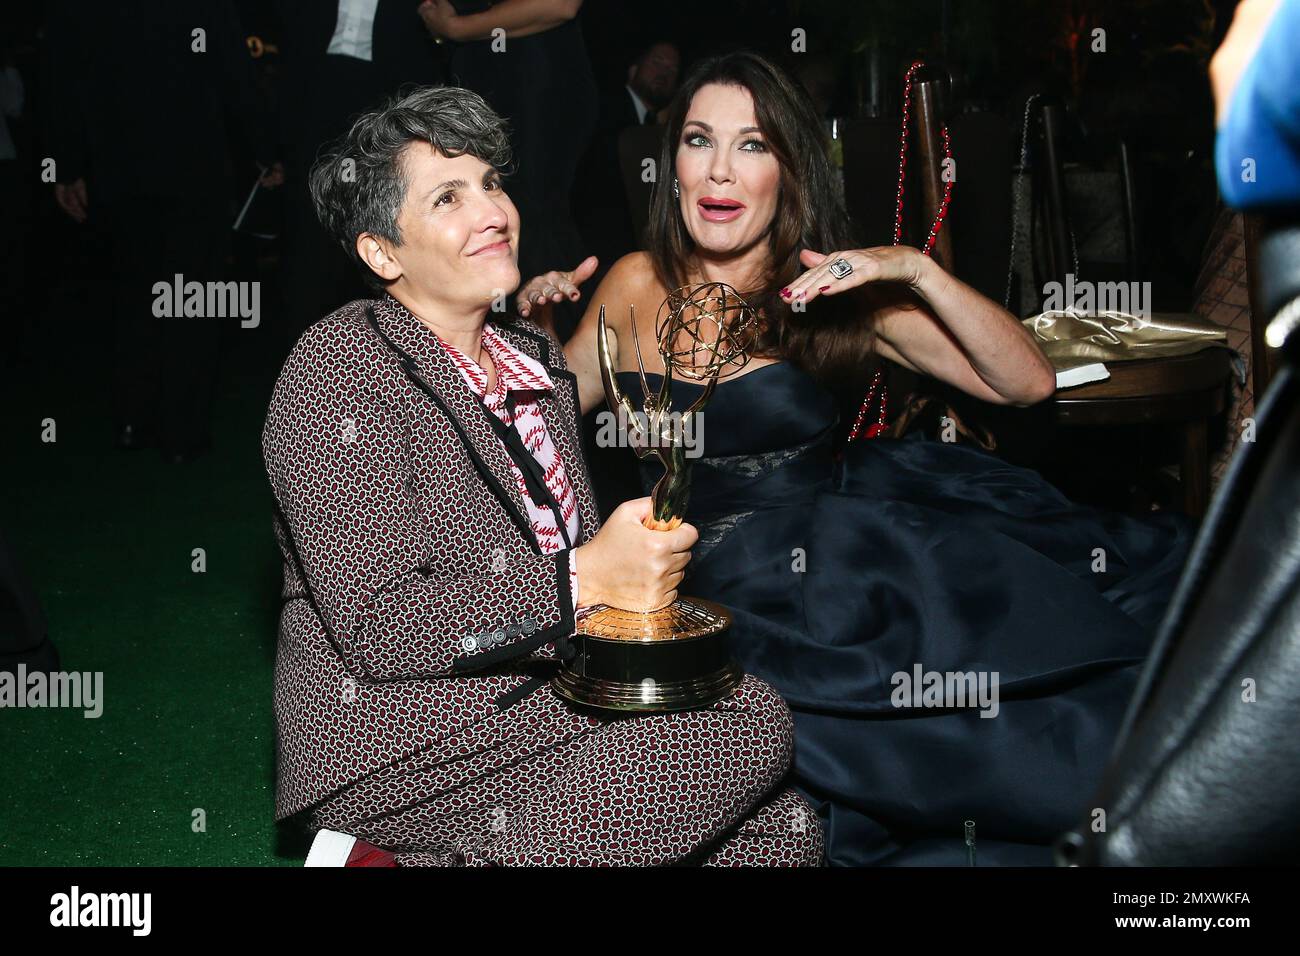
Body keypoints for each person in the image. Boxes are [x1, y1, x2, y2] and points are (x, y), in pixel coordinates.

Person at [520, 51, 1193, 866]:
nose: (719, 170)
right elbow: (543, 436)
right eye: (699, 140)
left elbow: (1025, 382)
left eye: (752, 144)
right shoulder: (634, 281)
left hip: (823, 573)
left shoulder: (839, 293)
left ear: (790, 169)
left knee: (1005, 744)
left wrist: (912, 270)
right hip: (676, 577)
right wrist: (535, 338)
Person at [261, 85, 823, 866]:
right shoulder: (339, 369)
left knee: (784, 834)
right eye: (448, 197)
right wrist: (585, 578)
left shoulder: (533, 359)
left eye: (491, 183)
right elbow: (384, 628)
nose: (493, 211)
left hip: (547, 696)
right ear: (382, 253)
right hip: (402, 733)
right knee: (747, 723)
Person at [44, 0, 280, 463]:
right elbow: (234, 73)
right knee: (191, 295)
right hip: (192, 165)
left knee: (135, 289)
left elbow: (65, 73)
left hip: (119, 166)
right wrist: (266, 149)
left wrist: (66, 165)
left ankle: (133, 419)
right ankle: (181, 429)